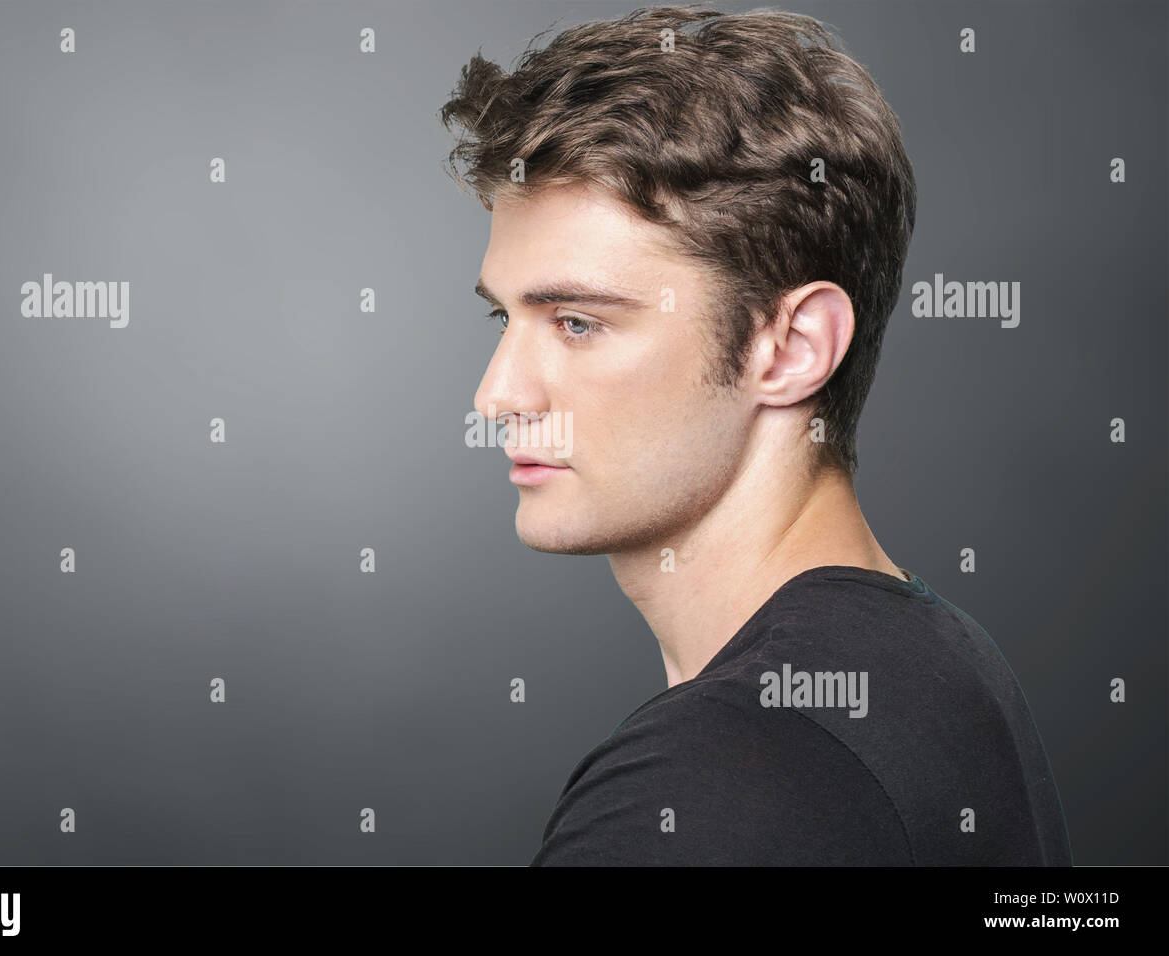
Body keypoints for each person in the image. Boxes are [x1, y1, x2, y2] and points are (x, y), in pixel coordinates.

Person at [439, 5, 1071, 865]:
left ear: (794, 347)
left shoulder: (713, 779)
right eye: (503, 319)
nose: (497, 396)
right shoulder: (948, 663)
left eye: (578, 322)